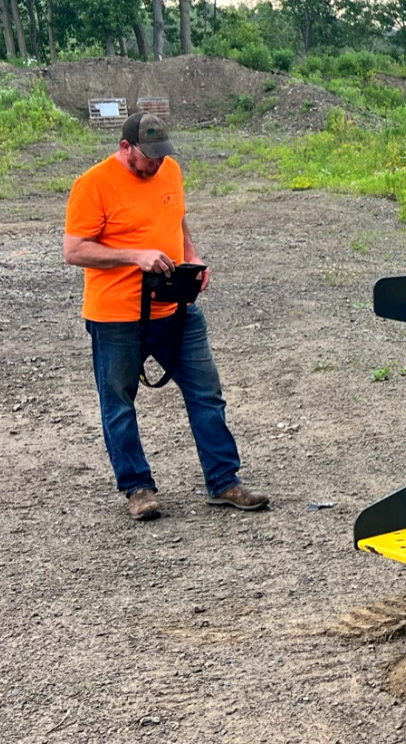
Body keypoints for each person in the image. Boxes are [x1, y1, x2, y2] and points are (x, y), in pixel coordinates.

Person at [63, 112, 269, 521]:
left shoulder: (169, 169)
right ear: (125, 148)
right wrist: (133, 256)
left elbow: (176, 215)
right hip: (116, 315)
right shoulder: (93, 184)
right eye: (148, 157)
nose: (156, 164)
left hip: (175, 309)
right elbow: (74, 250)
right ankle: (137, 488)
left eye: (162, 156)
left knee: (206, 391)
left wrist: (191, 255)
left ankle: (224, 481)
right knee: (118, 402)